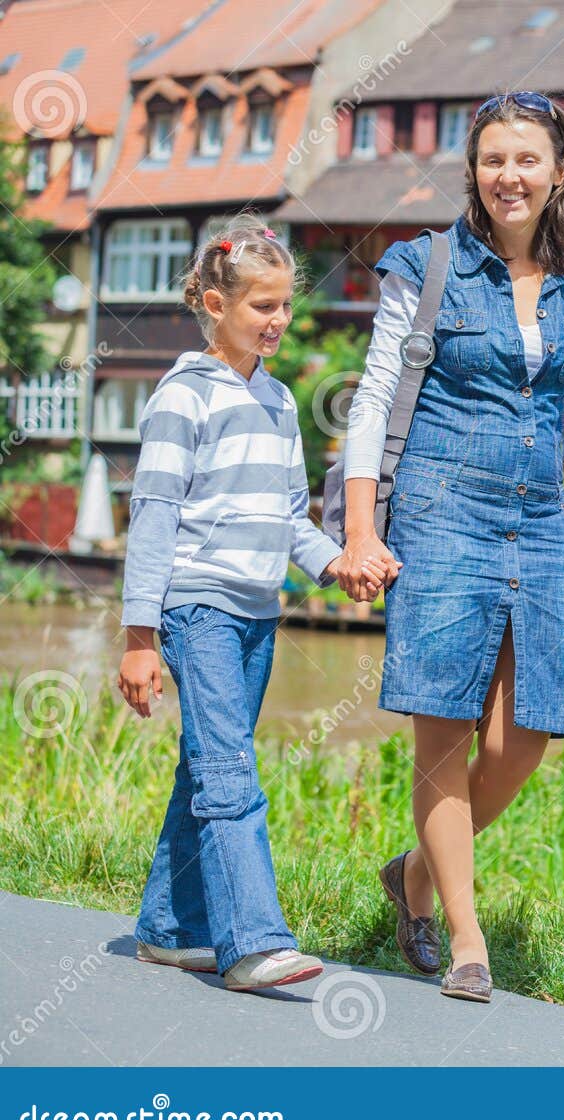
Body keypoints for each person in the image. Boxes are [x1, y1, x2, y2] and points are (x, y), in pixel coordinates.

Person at [338, 92, 564, 1002]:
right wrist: (362, 528)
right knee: (443, 729)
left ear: (561, 170)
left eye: (527, 159)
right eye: (494, 159)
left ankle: (412, 873)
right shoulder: (425, 265)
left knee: (528, 735)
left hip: (543, 524)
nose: (509, 176)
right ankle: (465, 938)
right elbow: (374, 399)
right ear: (474, 170)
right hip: (441, 513)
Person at [117, 214, 374, 991]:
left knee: (205, 767)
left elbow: (292, 517)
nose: (279, 320)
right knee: (230, 768)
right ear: (215, 304)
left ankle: (167, 928)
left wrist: (337, 564)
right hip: (198, 607)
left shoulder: (280, 401)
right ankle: (253, 941)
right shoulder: (182, 396)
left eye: (286, 305)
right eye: (263, 305)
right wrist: (138, 636)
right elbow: (153, 513)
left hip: (259, 613)